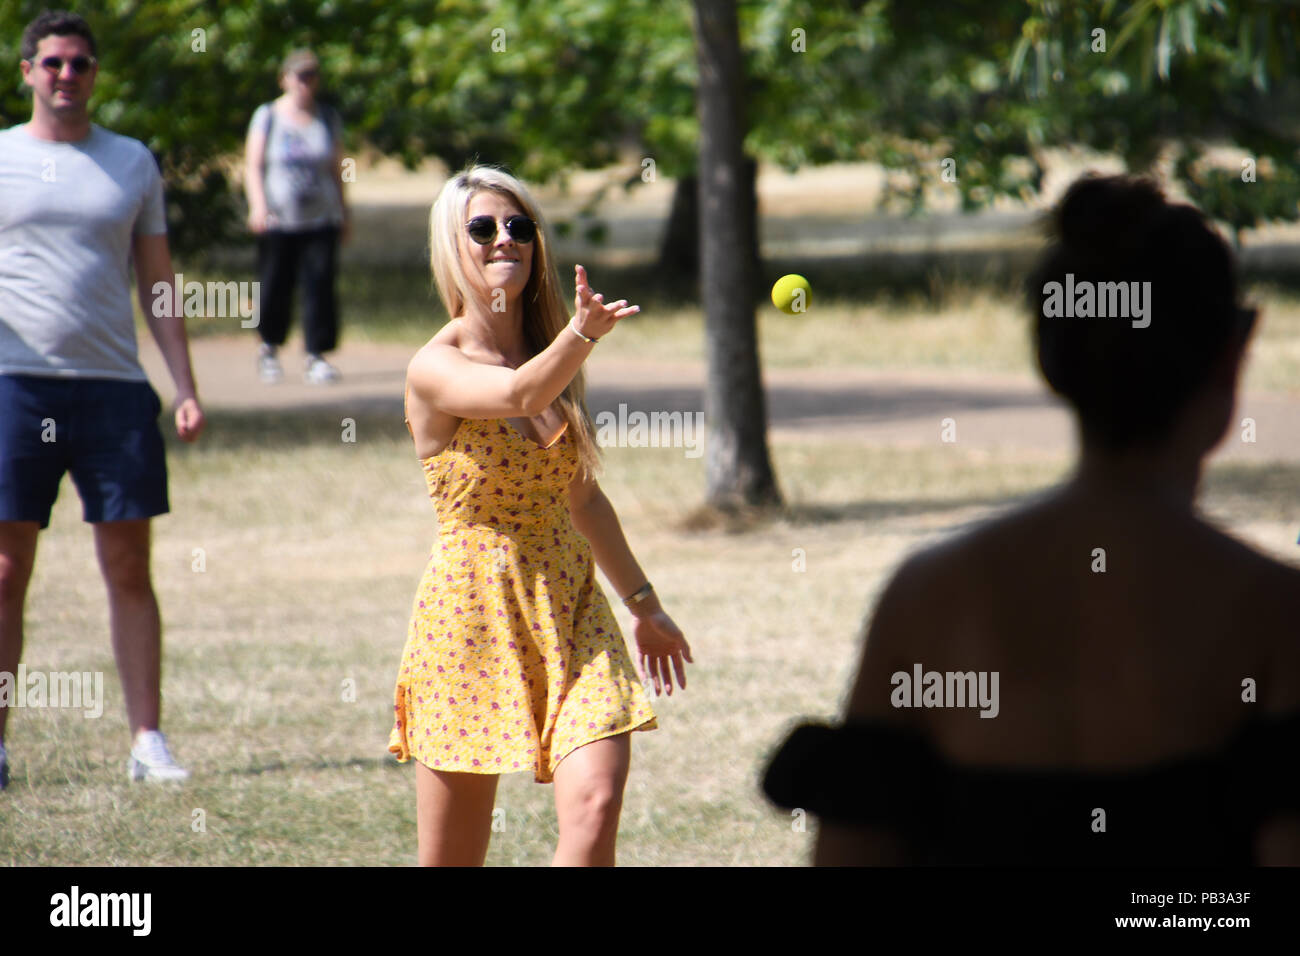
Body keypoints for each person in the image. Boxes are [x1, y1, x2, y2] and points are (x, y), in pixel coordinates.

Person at [763, 174, 1300, 865]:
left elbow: (851, 855)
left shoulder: (927, 597)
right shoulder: (1274, 615)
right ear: (1233, 353)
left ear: (1052, 359)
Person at [389, 165, 693, 866]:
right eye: (484, 228)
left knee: (596, 807)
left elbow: (582, 496)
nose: (506, 240)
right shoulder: (435, 366)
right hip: (471, 612)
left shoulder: (553, 353)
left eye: (519, 226)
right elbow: (521, 395)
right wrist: (580, 337)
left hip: (573, 604)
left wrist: (644, 606)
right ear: (452, 247)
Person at [0, 10, 205, 790]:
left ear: (94, 74)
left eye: (80, 63)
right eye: (52, 62)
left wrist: (183, 385)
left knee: (128, 565)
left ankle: (147, 740)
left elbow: (156, 281)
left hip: (115, 389)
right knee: (5, 570)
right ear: (27, 71)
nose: (66, 75)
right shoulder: (2, 158)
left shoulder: (130, 162)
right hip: (15, 384)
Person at [244, 48, 348, 385]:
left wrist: (344, 212)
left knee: (319, 285)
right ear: (284, 78)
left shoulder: (327, 118)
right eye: (299, 75)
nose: (306, 82)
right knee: (275, 284)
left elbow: (339, 169)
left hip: (320, 220)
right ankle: (268, 349)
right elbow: (254, 165)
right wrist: (258, 205)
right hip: (278, 220)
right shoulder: (268, 116)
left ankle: (316, 355)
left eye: (311, 75)